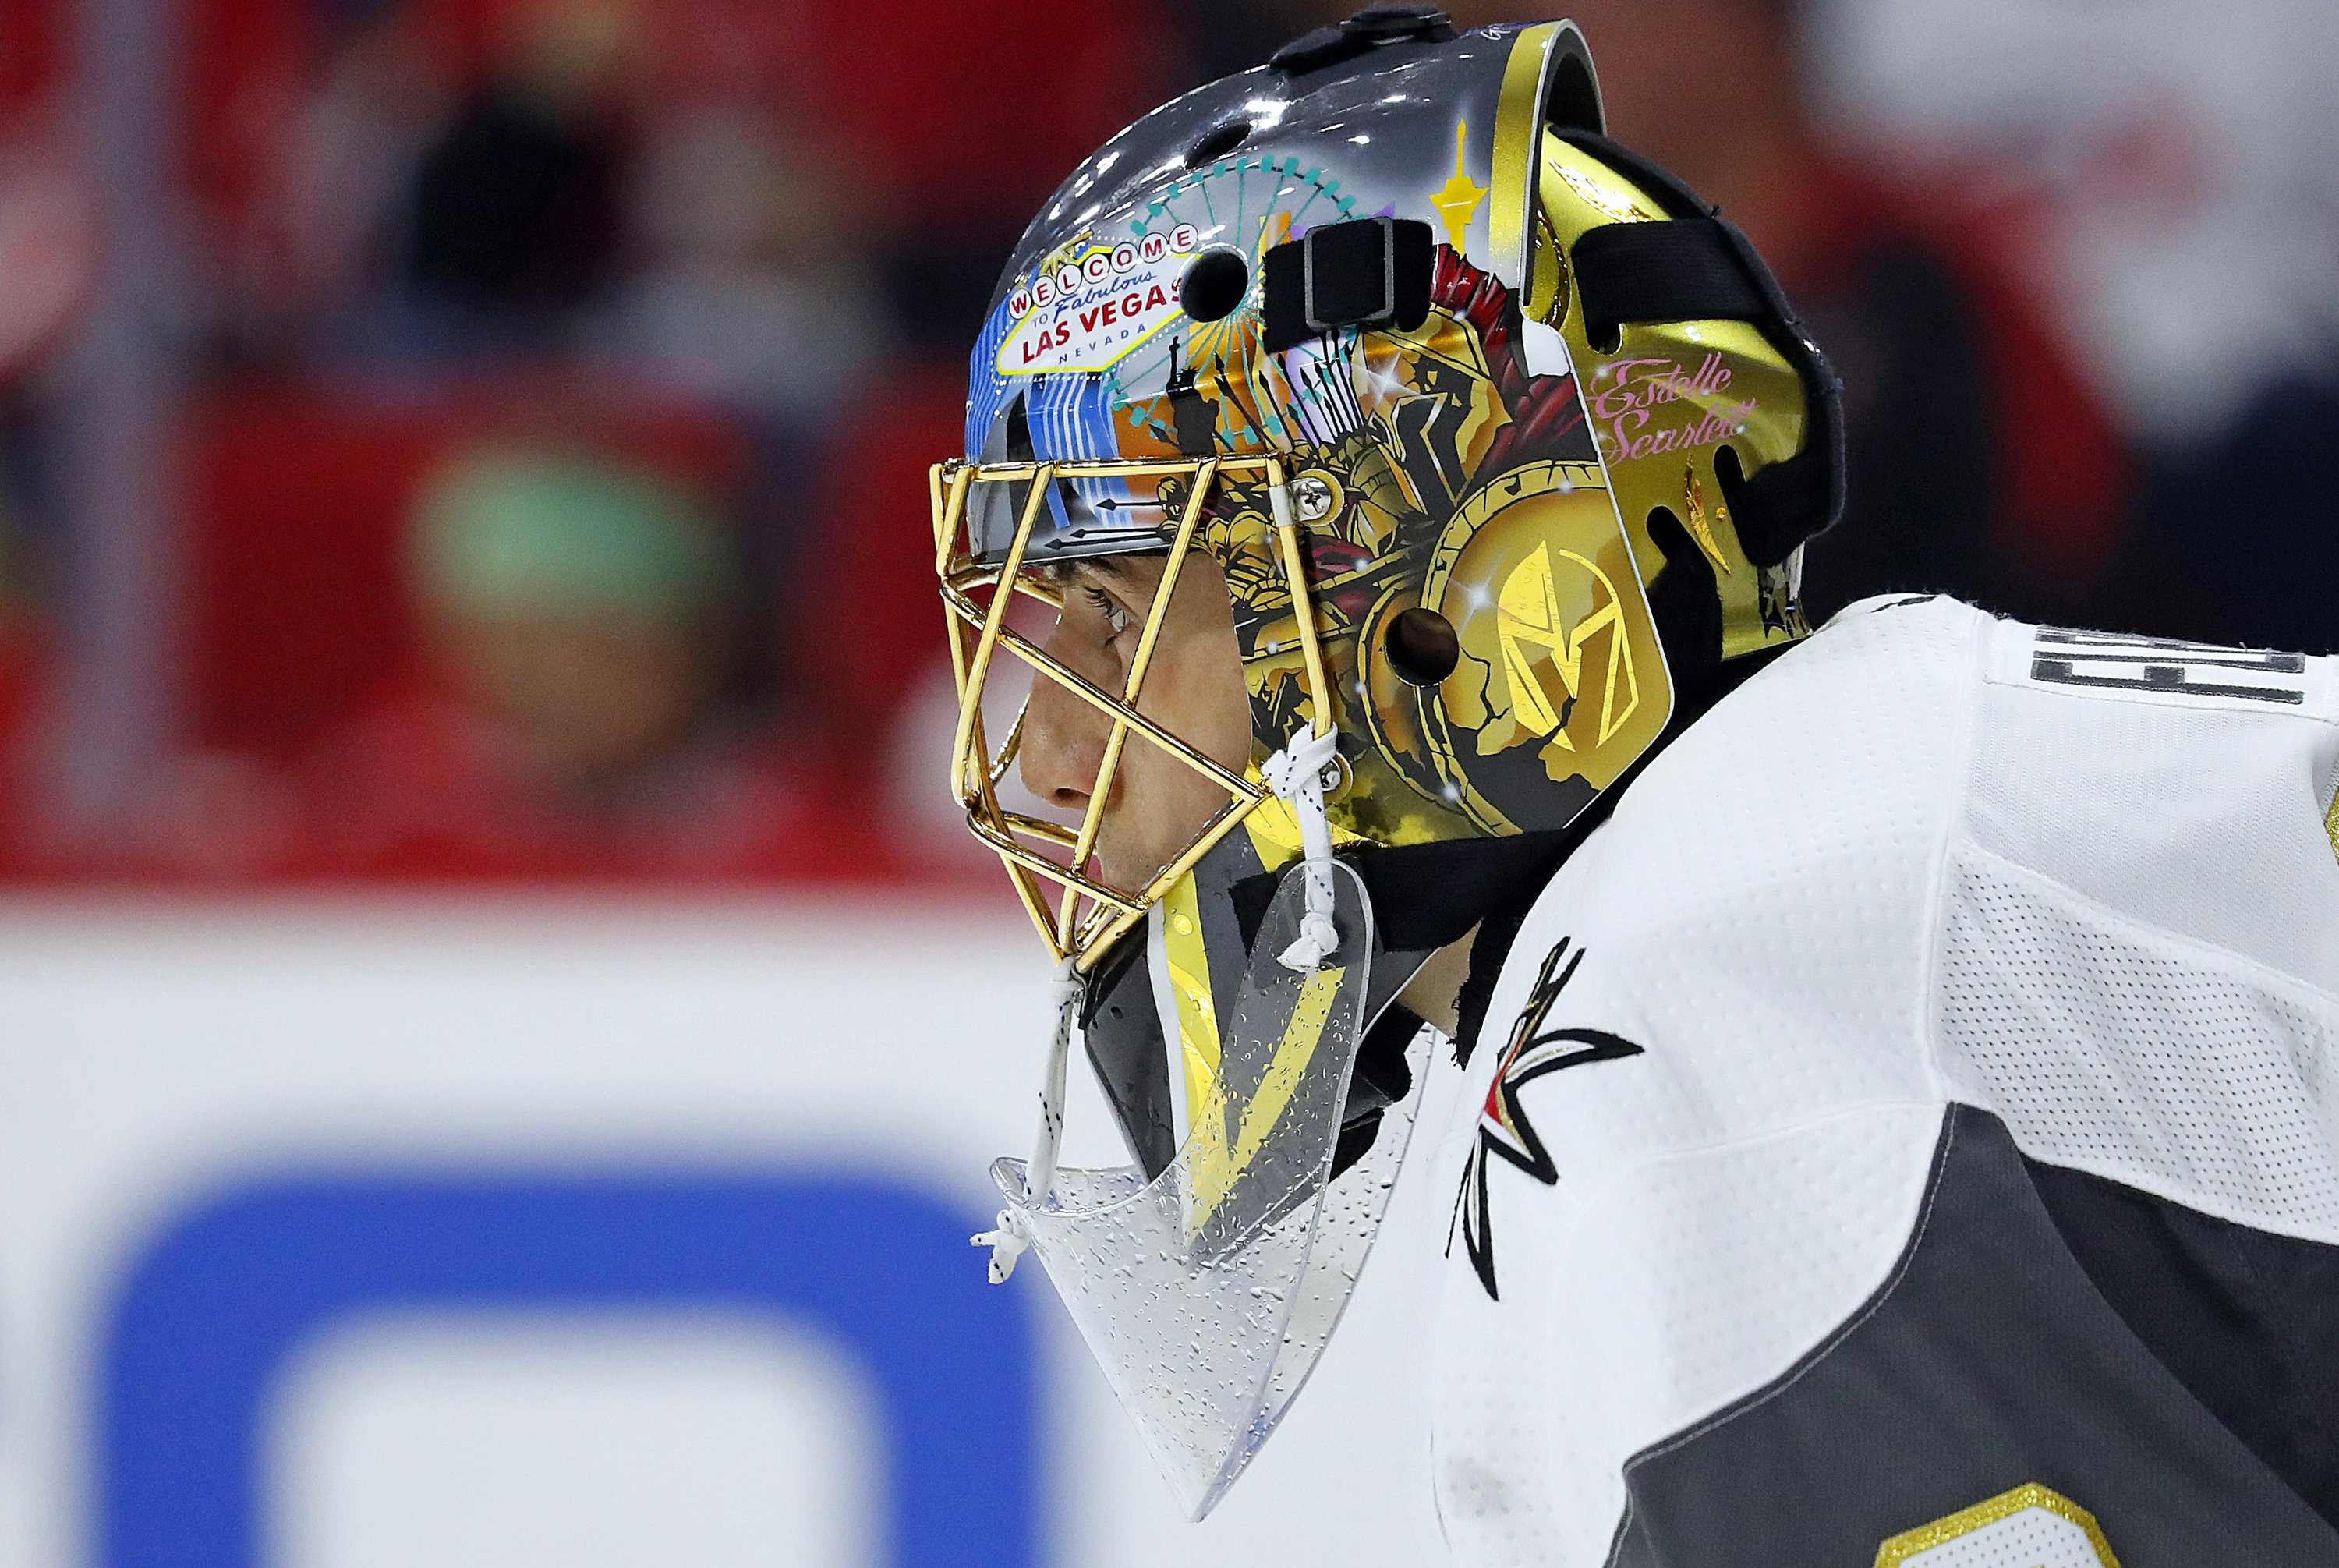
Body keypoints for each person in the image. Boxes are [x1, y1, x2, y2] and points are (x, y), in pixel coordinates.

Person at [923, 9, 2339, 1561]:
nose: (1049, 752)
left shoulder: (1722, 976)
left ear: (1421, 590)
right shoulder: (1780, 848)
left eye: (1120, 610)